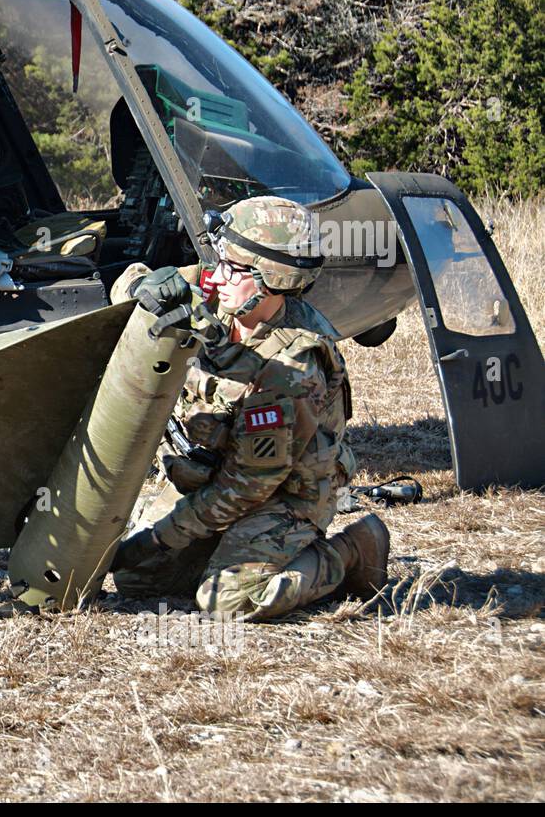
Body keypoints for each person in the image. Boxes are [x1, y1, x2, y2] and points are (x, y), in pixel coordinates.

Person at [108, 195, 390, 620]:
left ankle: (351, 553)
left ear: (272, 278)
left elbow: (247, 487)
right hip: (218, 472)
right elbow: (130, 282)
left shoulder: (291, 368)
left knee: (227, 600)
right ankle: (229, 550)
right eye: (220, 261)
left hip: (286, 495)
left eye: (234, 268)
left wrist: (160, 538)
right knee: (139, 579)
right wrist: (141, 288)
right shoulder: (222, 288)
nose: (218, 276)